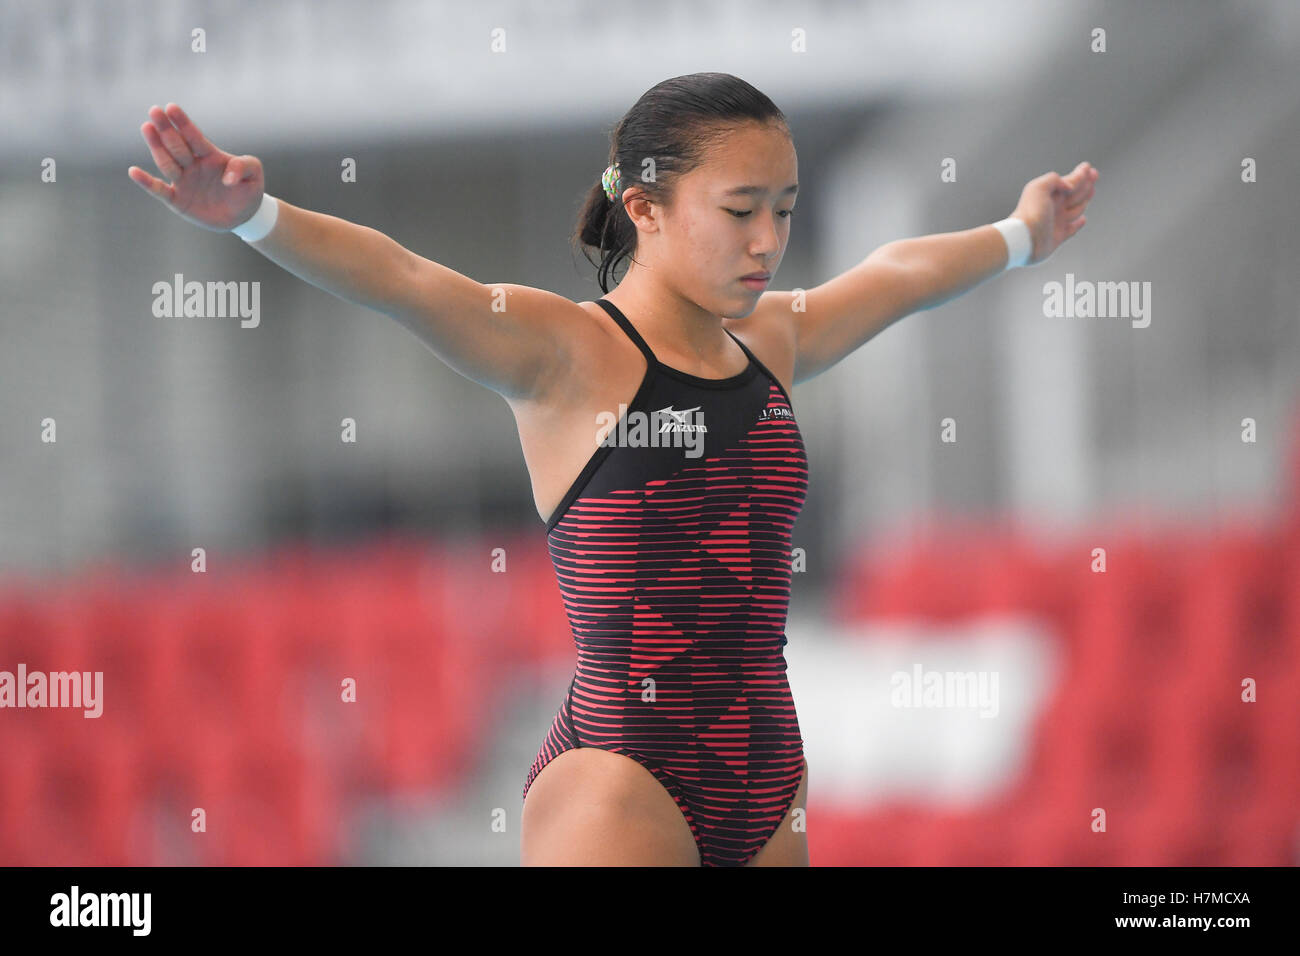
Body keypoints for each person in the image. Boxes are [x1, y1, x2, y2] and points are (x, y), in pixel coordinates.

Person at [128, 73, 1098, 866]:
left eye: (785, 210)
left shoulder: (773, 341)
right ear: (644, 206)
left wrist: (1019, 236)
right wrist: (255, 219)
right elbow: (407, 279)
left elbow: (896, 276)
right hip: (624, 780)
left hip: (770, 776)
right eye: (739, 210)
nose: (768, 240)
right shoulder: (563, 353)